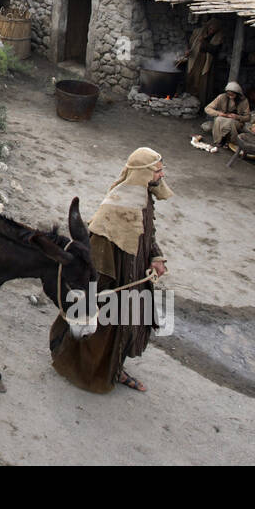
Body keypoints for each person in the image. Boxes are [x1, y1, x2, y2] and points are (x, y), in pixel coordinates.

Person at [50, 147, 171, 394]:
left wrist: (156, 256)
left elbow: (146, 234)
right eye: (157, 171)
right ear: (143, 173)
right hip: (113, 283)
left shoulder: (144, 198)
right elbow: (99, 256)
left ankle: (114, 368)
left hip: (135, 276)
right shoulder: (117, 207)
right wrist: (104, 296)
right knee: (104, 329)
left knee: (129, 325)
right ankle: (88, 372)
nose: (162, 175)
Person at [183, 18, 225, 103]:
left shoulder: (218, 37)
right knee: (191, 78)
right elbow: (190, 44)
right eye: (210, 29)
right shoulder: (198, 32)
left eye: (214, 30)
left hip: (206, 61)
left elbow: (215, 50)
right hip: (195, 59)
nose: (211, 31)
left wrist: (204, 42)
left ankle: (200, 102)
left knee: (202, 82)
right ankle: (188, 99)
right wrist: (187, 50)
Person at [202, 81, 251, 147]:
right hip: (222, 118)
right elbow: (207, 108)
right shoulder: (221, 97)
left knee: (230, 122)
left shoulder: (244, 101)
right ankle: (218, 140)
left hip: (236, 121)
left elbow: (248, 117)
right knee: (218, 119)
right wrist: (219, 113)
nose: (230, 97)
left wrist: (237, 117)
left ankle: (231, 140)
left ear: (238, 94)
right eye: (229, 95)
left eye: (232, 95)